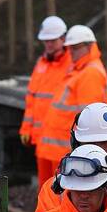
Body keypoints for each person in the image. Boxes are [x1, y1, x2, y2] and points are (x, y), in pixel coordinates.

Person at [35, 24, 107, 180]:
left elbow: (88, 119)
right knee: (49, 197)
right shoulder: (78, 70)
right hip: (57, 149)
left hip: (66, 151)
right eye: (69, 48)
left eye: (75, 48)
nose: (71, 52)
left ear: (89, 46)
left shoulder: (90, 73)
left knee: (59, 198)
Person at [21, 16, 70, 185]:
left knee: (60, 187)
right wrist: (26, 127)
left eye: (52, 40)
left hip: (60, 140)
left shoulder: (71, 64)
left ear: (63, 39)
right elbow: (32, 98)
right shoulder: (41, 63)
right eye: (45, 41)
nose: (48, 44)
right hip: (43, 140)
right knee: (45, 187)